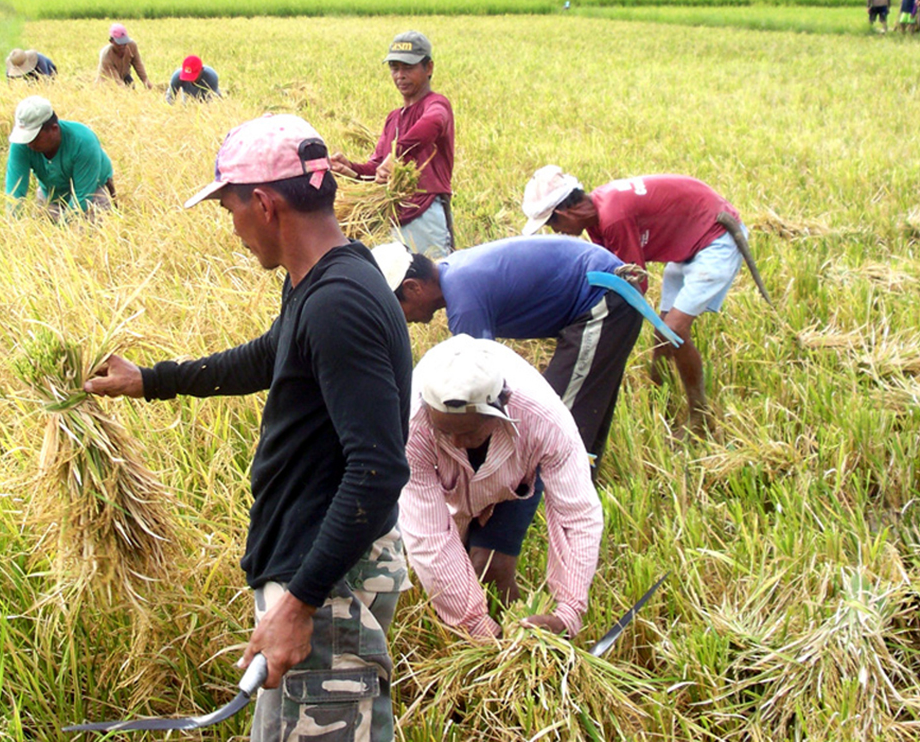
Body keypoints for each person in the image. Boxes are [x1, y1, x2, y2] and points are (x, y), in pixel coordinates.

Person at [82, 114, 413, 742]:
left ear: (263, 204)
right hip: (316, 567)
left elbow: (377, 471)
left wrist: (301, 602)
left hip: (330, 583)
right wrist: (150, 380)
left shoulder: (339, 303)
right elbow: (271, 354)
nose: (231, 229)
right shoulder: (323, 279)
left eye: (230, 209)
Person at [371, 235, 642, 478]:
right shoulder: (457, 276)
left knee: (557, 420)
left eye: (396, 309)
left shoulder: (464, 300)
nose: (403, 321)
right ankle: (580, 485)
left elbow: (479, 388)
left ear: (412, 288)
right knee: (582, 405)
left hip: (602, 297)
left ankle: (568, 498)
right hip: (603, 293)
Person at [522, 167, 756, 437]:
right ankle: (659, 395)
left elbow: (633, 285)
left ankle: (700, 416)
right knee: (663, 332)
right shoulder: (600, 214)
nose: (557, 233)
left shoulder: (613, 217)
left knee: (675, 330)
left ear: (564, 213)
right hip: (692, 240)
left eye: (553, 225)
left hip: (715, 236)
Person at [399, 335, 603, 639]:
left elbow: (577, 516)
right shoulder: (411, 426)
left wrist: (568, 612)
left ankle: (528, 641)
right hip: (449, 488)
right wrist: (475, 626)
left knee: (491, 567)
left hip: (514, 475)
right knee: (456, 575)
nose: (455, 442)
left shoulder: (542, 419)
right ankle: (492, 646)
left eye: (468, 432)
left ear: (501, 406)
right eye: (444, 431)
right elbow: (430, 537)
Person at [330, 31, 455, 258]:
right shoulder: (394, 118)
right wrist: (352, 170)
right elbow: (377, 168)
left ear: (429, 68)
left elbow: (433, 124)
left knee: (432, 285)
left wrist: (397, 154)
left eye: (408, 68)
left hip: (424, 215)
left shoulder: (437, 105)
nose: (400, 75)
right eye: (394, 68)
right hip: (393, 219)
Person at [5, 95, 115, 221]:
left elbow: (83, 197)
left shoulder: (83, 142)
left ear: (54, 129)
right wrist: (13, 226)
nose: (29, 144)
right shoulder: (21, 144)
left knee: (85, 234)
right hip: (51, 195)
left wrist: (61, 232)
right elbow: (15, 191)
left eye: (34, 138)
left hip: (91, 193)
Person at [97, 22, 153, 88]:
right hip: (108, 80)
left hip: (124, 75)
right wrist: (126, 94)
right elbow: (116, 81)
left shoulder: (132, 46)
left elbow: (138, 63)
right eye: (119, 43)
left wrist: (145, 80)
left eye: (124, 43)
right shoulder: (106, 56)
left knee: (132, 86)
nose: (122, 46)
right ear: (111, 41)